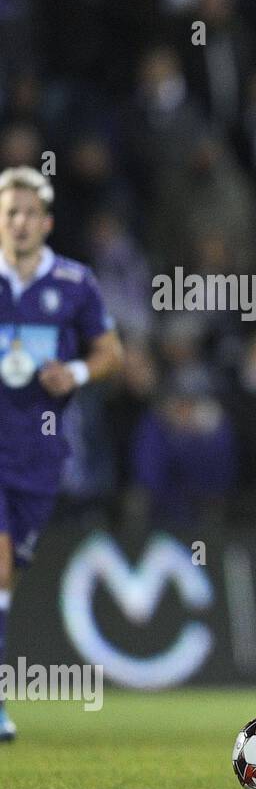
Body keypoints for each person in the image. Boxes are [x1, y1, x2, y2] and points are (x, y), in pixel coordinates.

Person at [0, 166, 123, 740]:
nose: (19, 223)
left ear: (46, 222)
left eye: (28, 213)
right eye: (9, 213)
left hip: (39, 452)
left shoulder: (74, 283)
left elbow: (110, 353)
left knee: (10, 573)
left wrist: (73, 370)